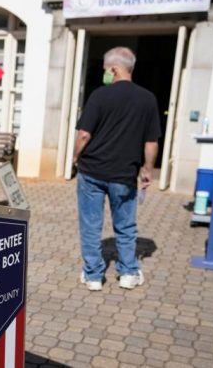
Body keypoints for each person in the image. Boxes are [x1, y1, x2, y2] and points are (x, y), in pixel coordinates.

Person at [72, 47, 161, 291]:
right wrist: (147, 169)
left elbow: (84, 135)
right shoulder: (147, 99)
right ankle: (128, 274)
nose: (104, 74)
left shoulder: (99, 96)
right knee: (126, 226)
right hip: (124, 174)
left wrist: (75, 157)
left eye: (105, 69)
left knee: (91, 225)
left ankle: (92, 276)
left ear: (114, 69)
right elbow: (151, 142)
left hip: (92, 171)